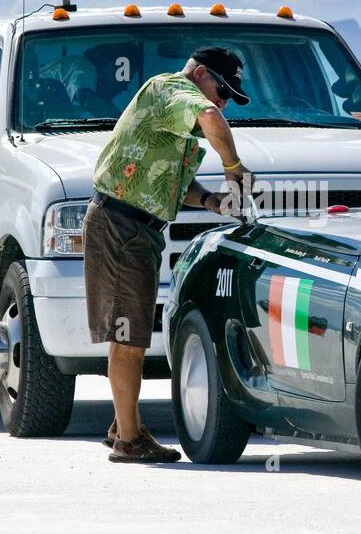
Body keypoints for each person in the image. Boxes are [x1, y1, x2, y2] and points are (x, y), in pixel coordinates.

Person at [83, 47, 251, 462]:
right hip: (123, 226)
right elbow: (211, 119)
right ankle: (128, 441)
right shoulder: (171, 89)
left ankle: (125, 422)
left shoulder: (178, 119)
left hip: (135, 227)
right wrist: (233, 167)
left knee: (132, 333)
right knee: (128, 339)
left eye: (230, 97)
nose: (222, 102)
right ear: (200, 73)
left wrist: (213, 202)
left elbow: (169, 184)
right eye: (222, 90)